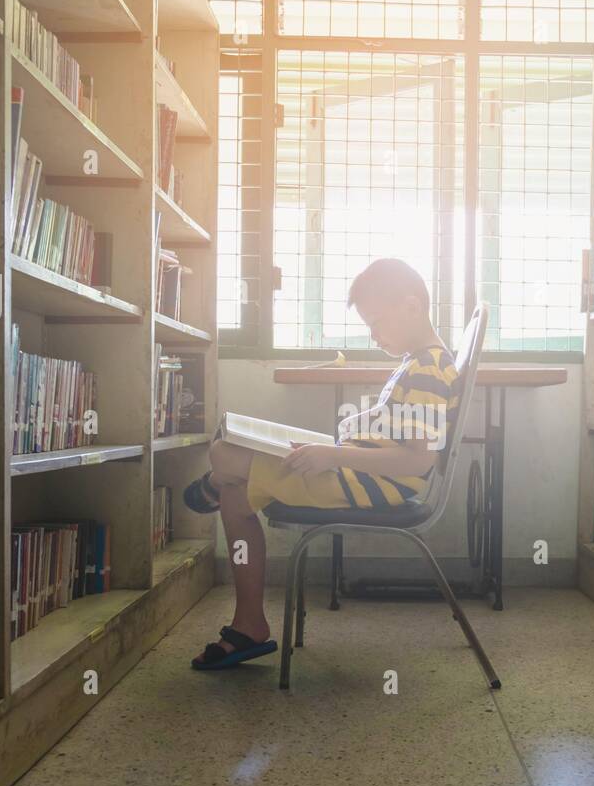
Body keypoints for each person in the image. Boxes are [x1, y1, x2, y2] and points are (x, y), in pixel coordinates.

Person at [183, 258, 461, 669]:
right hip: (353, 474)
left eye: (378, 322)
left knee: (224, 457)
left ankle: (214, 490)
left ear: (413, 307)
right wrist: (346, 433)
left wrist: (331, 453)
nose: (374, 334)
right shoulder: (418, 362)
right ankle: (248, 624)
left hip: (362, 483)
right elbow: (397, 437)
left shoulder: (428, 368)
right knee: (236, 495)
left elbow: (418, 461)